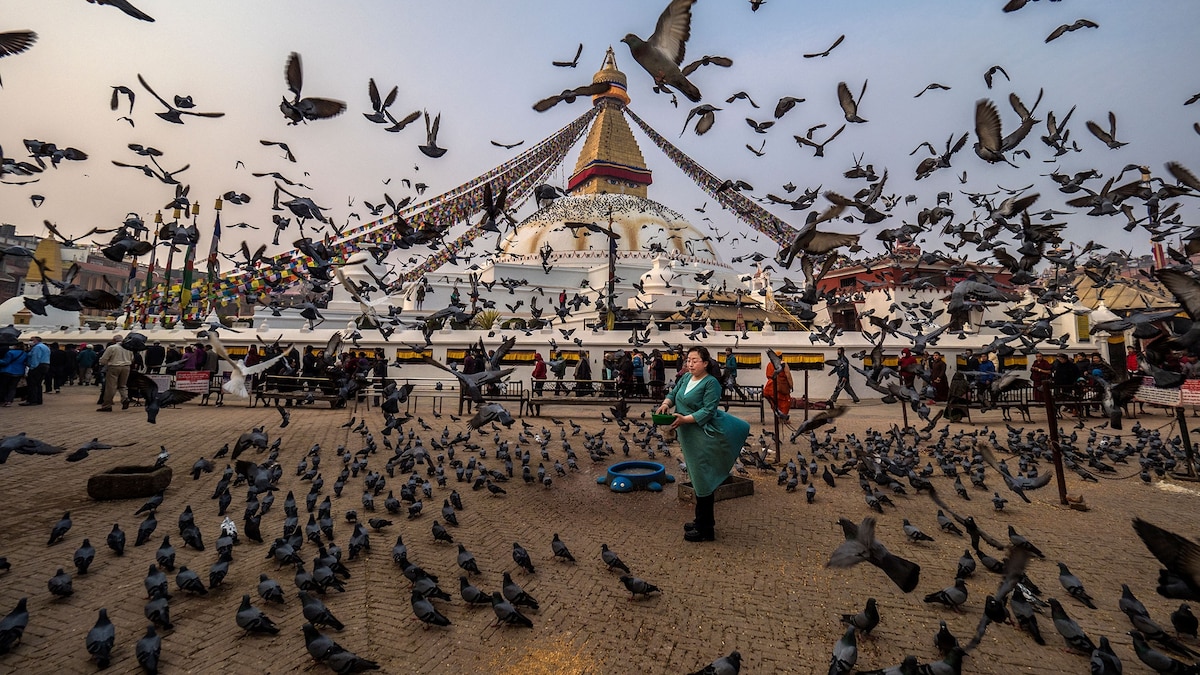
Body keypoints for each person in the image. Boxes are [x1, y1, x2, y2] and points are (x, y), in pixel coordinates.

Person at [657, 346, 751, 543]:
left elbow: (708, 411)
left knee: (702, 478)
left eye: (694, 360)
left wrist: (684, 420)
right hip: (688, 435)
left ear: (706, 363)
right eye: (688, 360)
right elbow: (674, 393)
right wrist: (666, 403)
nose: (690, 364)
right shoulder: (685, 378)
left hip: (703, 434)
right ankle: (701, 520)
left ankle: (706, 529)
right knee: (695, 474)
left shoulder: (711, 384)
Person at [97, 334, 133, 412]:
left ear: (114, 340)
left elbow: (104, 359)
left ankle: (107, 405)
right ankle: (125, 398)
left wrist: (102, 363)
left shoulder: (112, 347)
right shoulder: (128, 348)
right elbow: (132, 358)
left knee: (111, 386)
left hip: (114, 366)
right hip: (126, 367)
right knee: (122, 385)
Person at [764, 351, 795, 419]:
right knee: (785, 402)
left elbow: (767, 375)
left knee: (774, 403)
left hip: (769, 388)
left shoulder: (769, 364)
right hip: (780, 387)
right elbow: (788, 375)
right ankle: (783, 418)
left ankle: (778, 417)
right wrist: (791, 385)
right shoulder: (783, 364)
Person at [21, 336, 50, 406]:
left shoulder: (37, 347)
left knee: (32, 384)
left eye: (31, 340)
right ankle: (38, 400)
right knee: (38, 384)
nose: (30, 341)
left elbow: (36, 357)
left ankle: (32, 400)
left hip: (37, 366)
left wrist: (32, 367)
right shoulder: (45, 347)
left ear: (36, 340)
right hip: (45, 366)